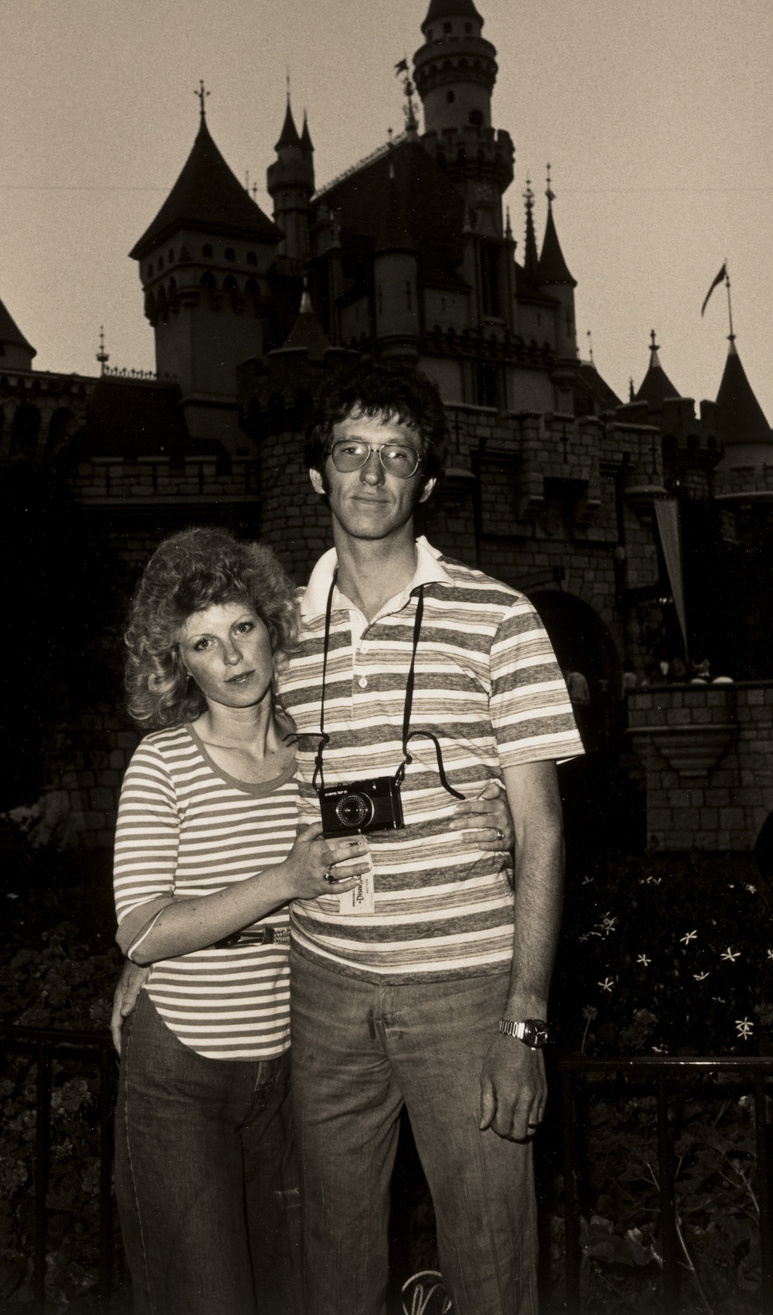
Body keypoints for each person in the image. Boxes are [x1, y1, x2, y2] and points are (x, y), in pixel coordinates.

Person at [110, 526, 515, 1315]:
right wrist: (281, 882)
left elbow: (406, 821)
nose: (231, 658)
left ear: (272, 627)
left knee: (292, 1292)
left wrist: (491, 813)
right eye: (202, 644)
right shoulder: (162, 761)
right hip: (184, 1071)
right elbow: (142, 929)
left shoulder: (318, 754)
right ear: (177, 662)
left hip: (292, 1070)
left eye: (242, 628)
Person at [280, 357, 583, 1315]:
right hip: (324, 990)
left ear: (426, 480)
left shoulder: (500, 617)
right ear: (317, 474)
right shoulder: (277, 633)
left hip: (465, 994)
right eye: (351, 452)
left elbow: (540, 830)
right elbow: (233, 796)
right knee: (334, 1264)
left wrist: (523, 1021)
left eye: (396, 455)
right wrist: (152, 949)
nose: (371, 475)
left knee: (491, 1263)